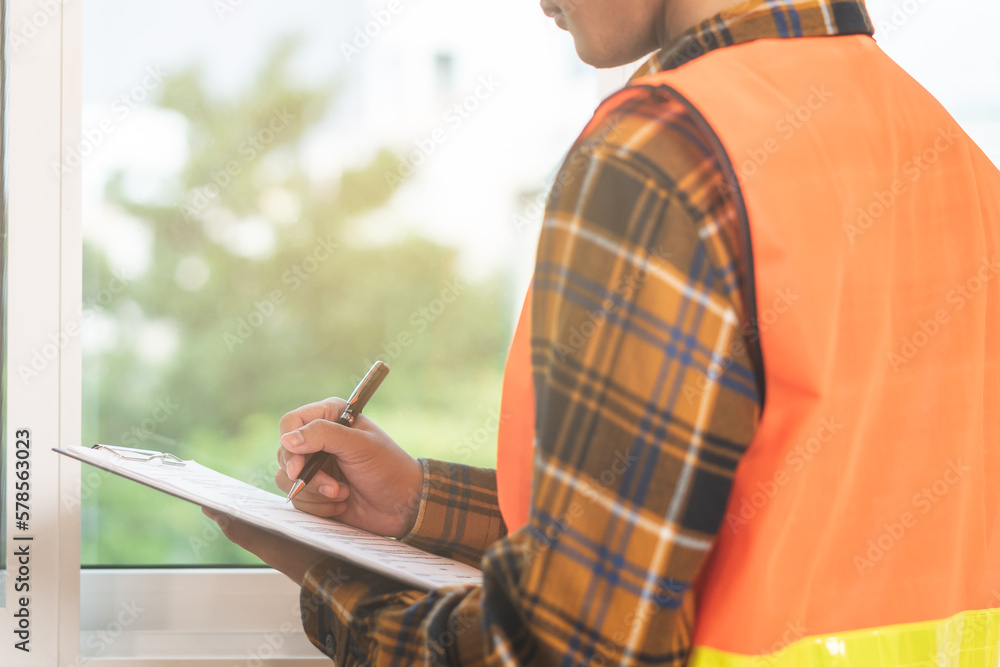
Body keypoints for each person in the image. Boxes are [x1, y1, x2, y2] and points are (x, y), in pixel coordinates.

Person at [205, 0, 1000, 664]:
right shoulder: (955, 157)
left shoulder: (663, 154)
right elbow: (760, 519)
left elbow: (570, 650)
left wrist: (328, 580)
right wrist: (422, 503)